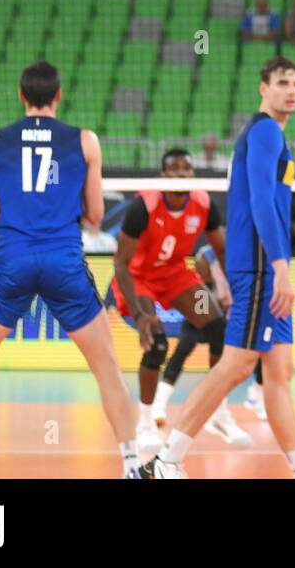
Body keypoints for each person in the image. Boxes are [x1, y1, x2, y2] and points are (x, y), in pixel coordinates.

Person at [0, 61, 138, 478]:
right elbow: (95, 216)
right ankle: (131, 464)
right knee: (107, 366)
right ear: (58, 95)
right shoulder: (85, 141)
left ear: (21, 96)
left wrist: (19, 206)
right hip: (63, 263)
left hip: (13, 261)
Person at [142, 57, 295, 479]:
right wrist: (279, 267)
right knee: (238, 365)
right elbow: (261, 201)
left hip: (267, 267)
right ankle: (168, 459)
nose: (292, 90)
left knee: (279, 372)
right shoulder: (263, 131)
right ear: (263, 87)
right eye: (282, 82)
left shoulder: (273, 136)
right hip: (261, 267)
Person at [108, 148, 245, 454]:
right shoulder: (143, 206)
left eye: (186, 169)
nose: (181, 174)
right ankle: (144, 424)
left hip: (176, 277)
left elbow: (221, 251)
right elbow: (120, 263)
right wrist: (142, 315)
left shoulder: (203, 203)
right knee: (157, 343)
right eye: (174, 169)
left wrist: (234, 289)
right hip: (138, 276)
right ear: (163, 176)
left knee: (218, 331)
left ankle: (218, 414)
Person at [152, 243, 234, 424]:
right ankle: (159, 404)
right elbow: (201, 292)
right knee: (183, 349)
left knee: (223, 361)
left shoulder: (241, 257)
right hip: (203, 308)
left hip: (225, 316)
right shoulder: (207, 256)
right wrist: (209, 313)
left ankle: (220, 409)